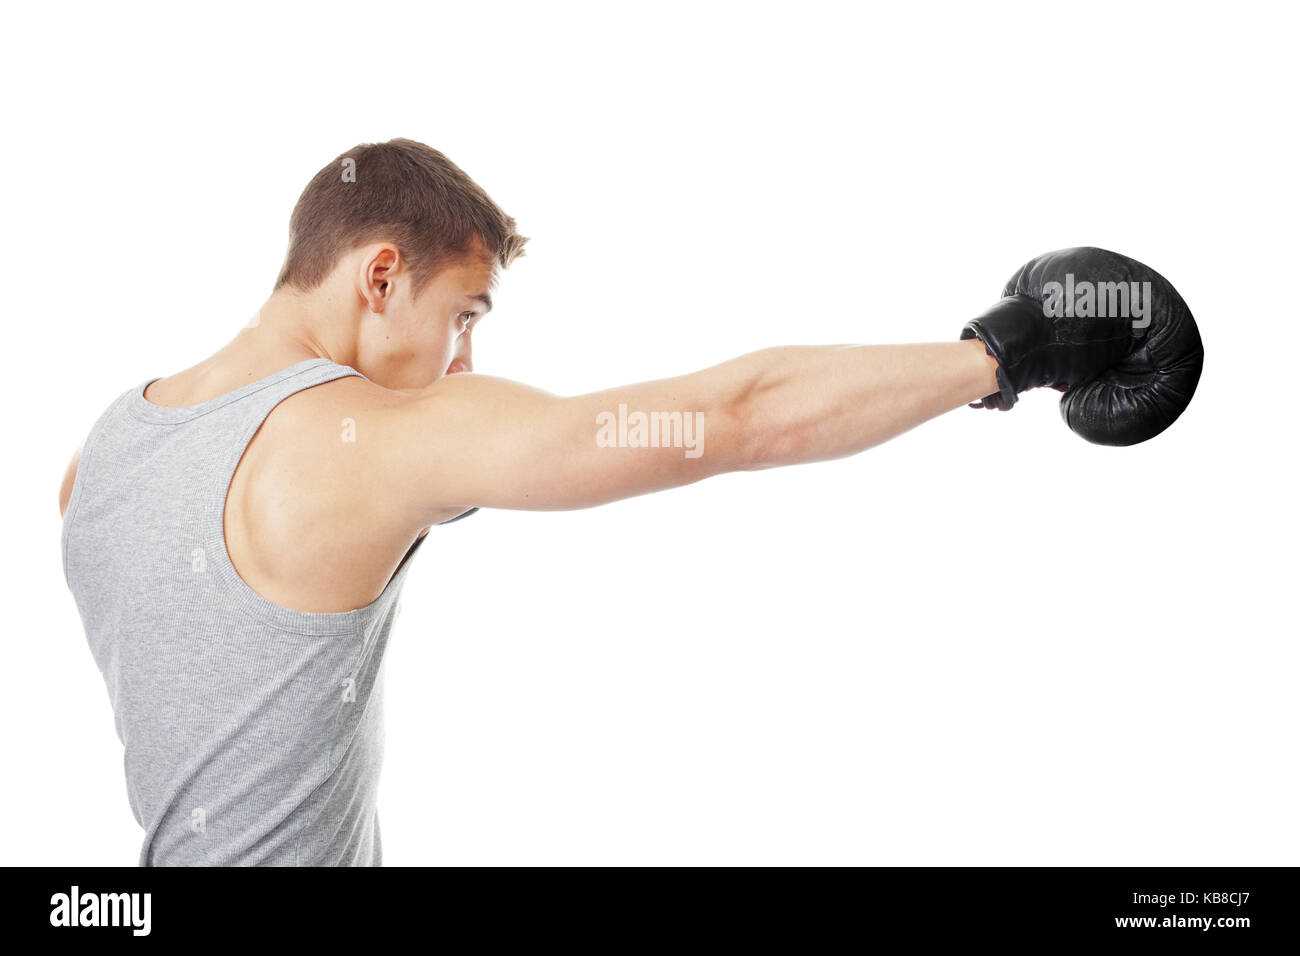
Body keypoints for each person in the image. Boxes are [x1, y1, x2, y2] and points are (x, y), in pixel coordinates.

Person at [57, 138, 1084, 866]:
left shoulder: (97, 457)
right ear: (380, 275)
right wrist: (999, 353)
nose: (464, 360)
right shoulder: (359, 441)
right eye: (463, 314)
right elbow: (727, 419)